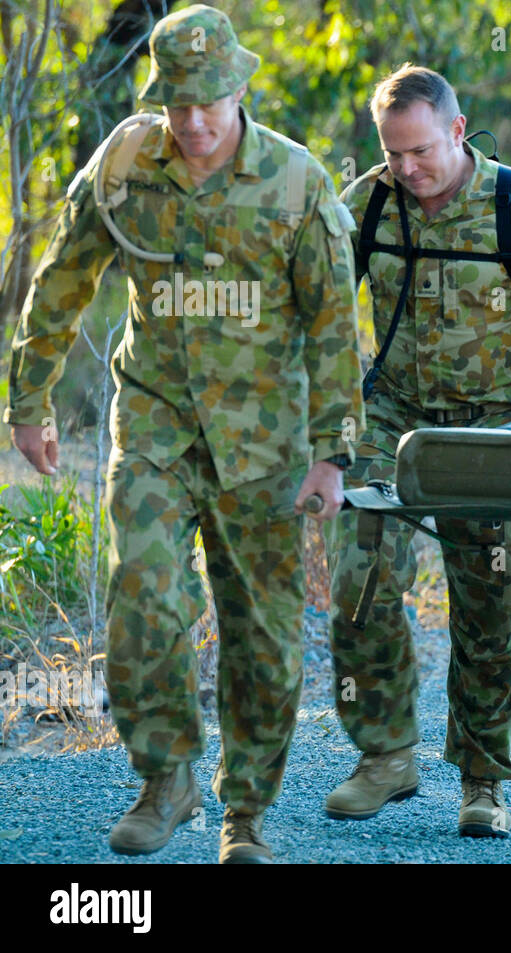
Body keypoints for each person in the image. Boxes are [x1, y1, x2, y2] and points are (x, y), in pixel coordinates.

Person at [5, 5, 363, 864]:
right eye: (177, 104)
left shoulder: (296, 180)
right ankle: (166, 778)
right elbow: (63, 280)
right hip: (158, 421)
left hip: (268, 445)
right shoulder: (127, 164)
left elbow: (332, 325)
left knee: (264, 635)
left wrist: (332, 451)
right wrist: (29, 397)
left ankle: (247, 813)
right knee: (145, 605)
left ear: (240, 87)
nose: (194, 122)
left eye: (209, 101)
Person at [324, 65, 511, 839]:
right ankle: (386, 754)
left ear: (457, 131)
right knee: (358, 580)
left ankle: (484, 777)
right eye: (393, 154)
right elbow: (319, 321)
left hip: (493, 429)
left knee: (491, 605)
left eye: (421, 151)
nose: (407, 169)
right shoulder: (366, 204)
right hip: (390, 422)